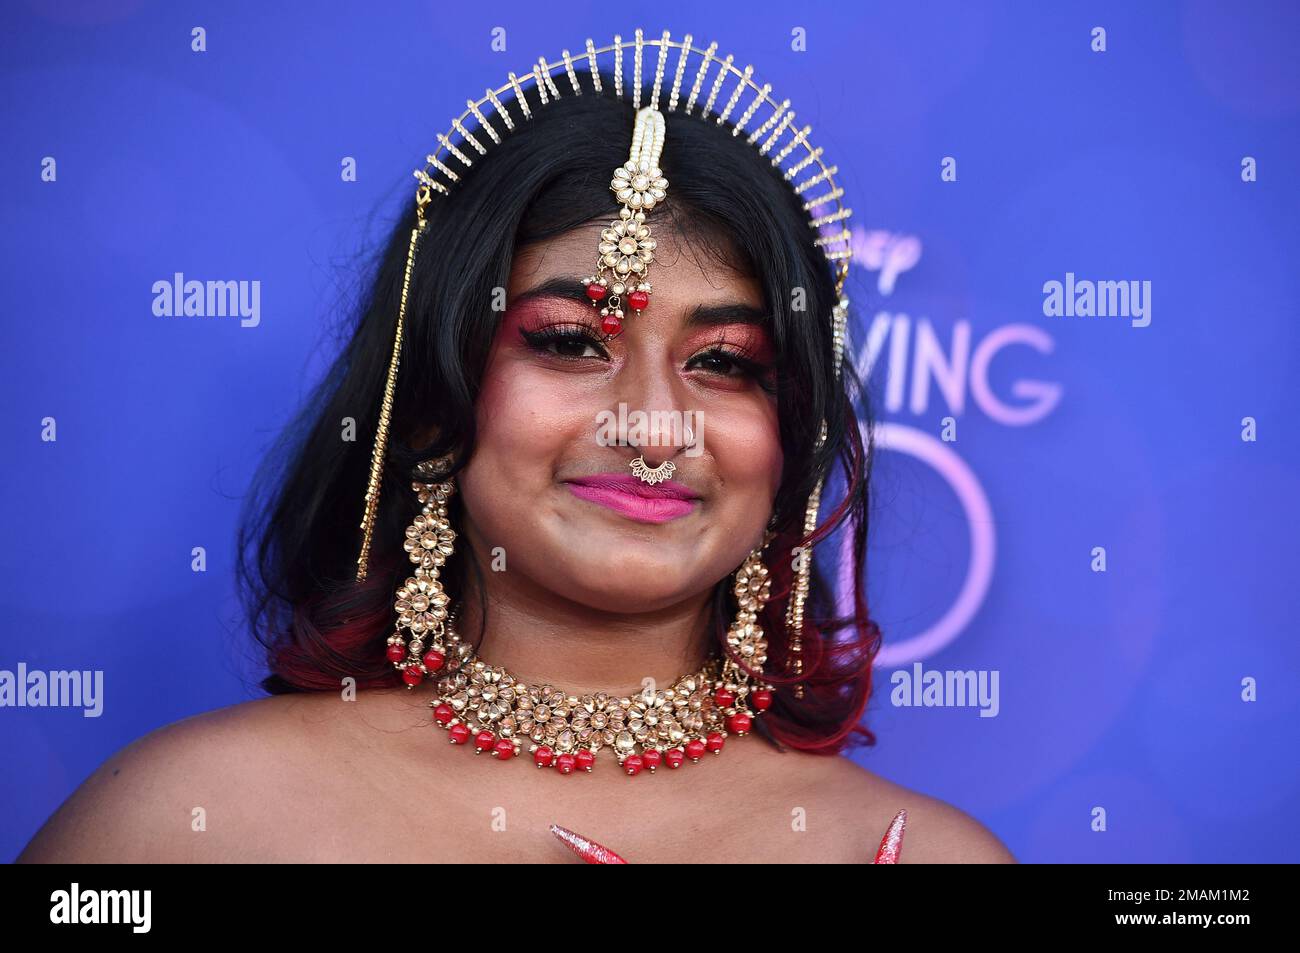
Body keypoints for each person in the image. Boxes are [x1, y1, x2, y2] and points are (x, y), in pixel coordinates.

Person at [18, 30, 1014, 864]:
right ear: (432, 405)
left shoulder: (918, 853)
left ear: (789, 435)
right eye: (570, 342)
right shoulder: (189, 821)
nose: (654, 425)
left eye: (725, 361)